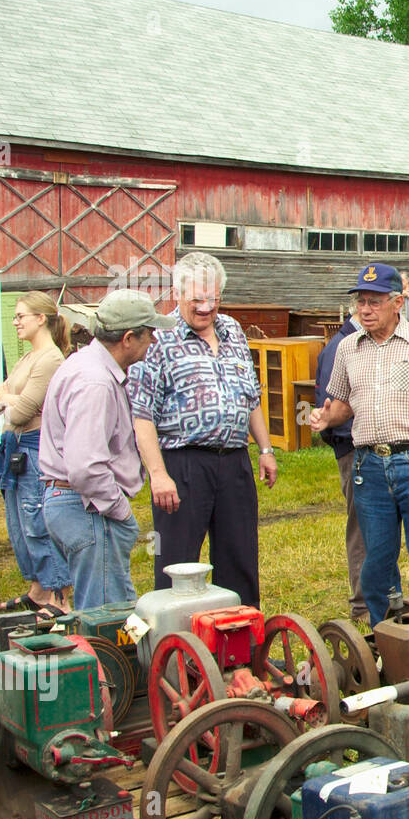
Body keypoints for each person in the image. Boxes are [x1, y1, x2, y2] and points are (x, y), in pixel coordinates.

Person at [309, 262, 409, 622]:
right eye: (361, 302)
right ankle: (389, 636)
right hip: (369, 468)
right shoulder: (348, 348)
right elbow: (344, 406)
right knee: (376, 561)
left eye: (374, 302)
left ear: (397, 303)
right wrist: (326, 417)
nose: (365, 309)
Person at [127, 252, 278, 608]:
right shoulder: (158, 339)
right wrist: (159, 474)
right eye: (196, 299)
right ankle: (177, 651)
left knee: (240, 559)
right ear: (177, 295)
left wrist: (266, 450)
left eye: (212, 299)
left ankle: (241, 648)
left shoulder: (233, 330)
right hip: (184, 465)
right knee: (177, 564)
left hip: (234, 462)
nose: (205, 307)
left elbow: (251, 394)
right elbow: (141, 413)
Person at [40, 290, 176, 609]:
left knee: (106, 605)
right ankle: (103, 661)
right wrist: (119, 509)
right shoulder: (95, 383)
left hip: (75, 504)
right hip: (87, 508)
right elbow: (86, 468)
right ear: (129, 338)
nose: (153, 343)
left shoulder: (87, 365)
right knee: (105, 613)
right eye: (149, 334)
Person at [0, 291, 72, 615]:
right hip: (14, 448)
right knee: (18, 524)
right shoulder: (27, 358)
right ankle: (38, 590)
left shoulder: (50, 359)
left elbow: (22, 412)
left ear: (41, 319)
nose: (15, 322)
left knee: (37, 521)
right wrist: (7, 400)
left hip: (33, 445)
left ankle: (60, 599)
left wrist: (7, 400)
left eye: (20, 316)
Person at [314, 308, 368, 621]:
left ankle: (381, 595)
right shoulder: (339, 348)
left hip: (373, 448)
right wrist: (347, 445)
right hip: (354, 450)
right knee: (361, 527)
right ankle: (361, 605)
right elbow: (328, 407)